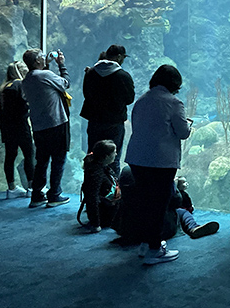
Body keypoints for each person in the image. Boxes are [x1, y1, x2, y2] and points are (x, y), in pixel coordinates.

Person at [125, 65, 192, 266]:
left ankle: (146, 243)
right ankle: (155, 250)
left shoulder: (142, 100)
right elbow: (182, 132)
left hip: (137, 159)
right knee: (159, 204)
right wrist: (188, 125)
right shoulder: (173, 102)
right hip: (160, 161)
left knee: (145, 201)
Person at [22, 48, 71, 208]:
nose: (44, 58)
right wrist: (61, 65)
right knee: (59, 158)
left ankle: (37, 195)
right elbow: (65, 84)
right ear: (37, 61)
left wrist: (48, 65)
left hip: (39, 126)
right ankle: (54, 194)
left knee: (41, 160)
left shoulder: (27, 79)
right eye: (42, 57)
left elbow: (45, 83)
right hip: (56, 123)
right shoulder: (45, 75)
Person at [80, 44, 135, 176]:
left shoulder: (91, 72)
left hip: (94, 120)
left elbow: (86, 94)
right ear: (119, 57)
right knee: (113, 156)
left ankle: (91, 188)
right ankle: (111, 192)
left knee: (93, 154)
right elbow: (129, 99)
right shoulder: (123, 76)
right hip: (114, 122)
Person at [0, 61, 35, 199]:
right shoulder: (19, 84)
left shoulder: (2, 88)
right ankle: (31, 187)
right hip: (20, 125)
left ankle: (11, 188)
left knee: (10, 156)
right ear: (18, 70)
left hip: (6, 127)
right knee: (29, 154)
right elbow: (23, 105)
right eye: (24, 67)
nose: (26, 69)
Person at [81, 139, 119, 232]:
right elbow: (92, 197)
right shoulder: (96, 173)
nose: (116, 154)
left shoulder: (100, 166)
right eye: (114, 152)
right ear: (106, 156)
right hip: (106, 215)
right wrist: (95, 223)